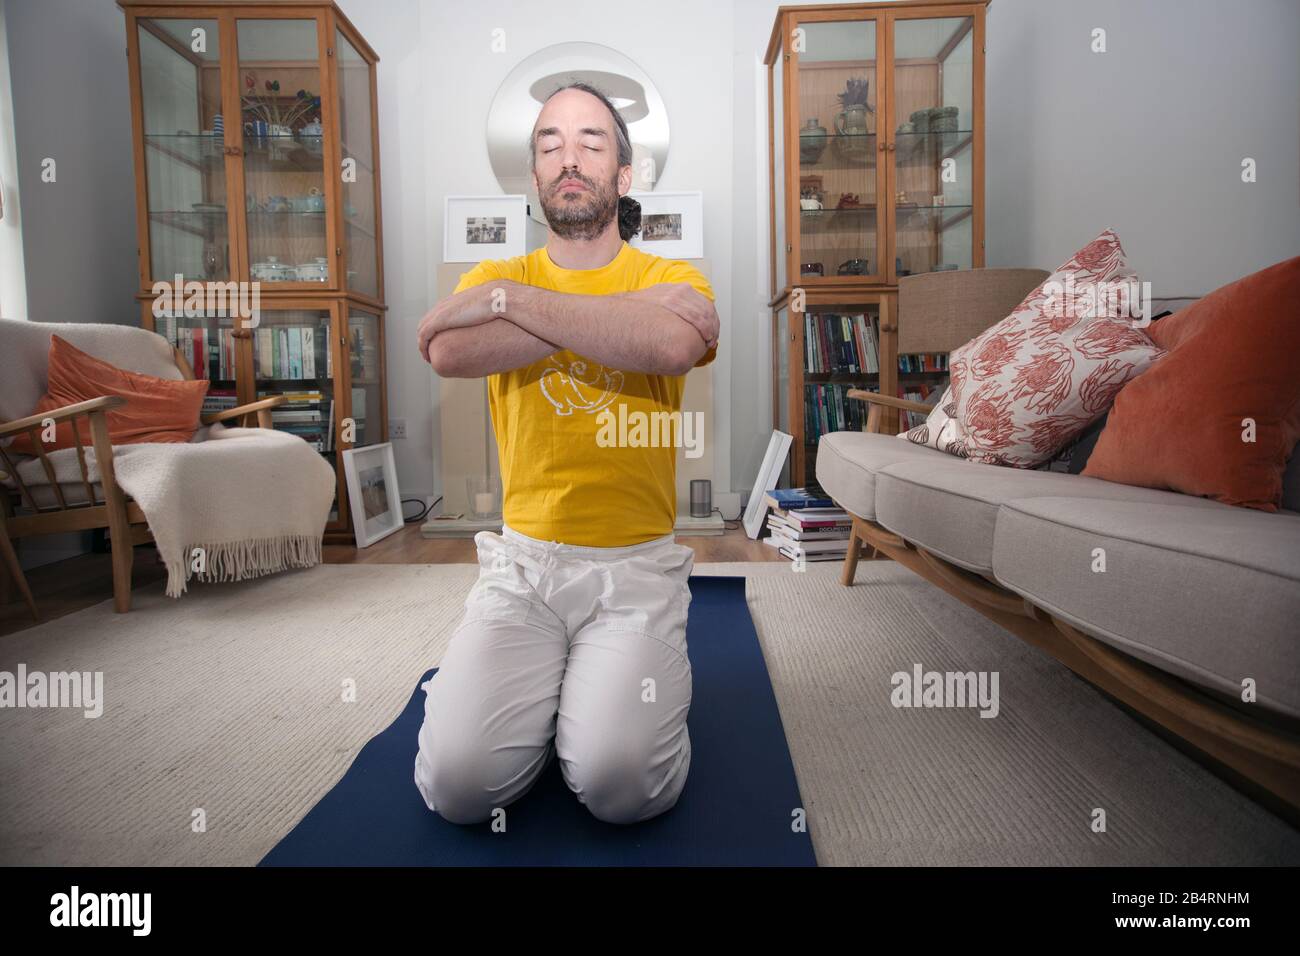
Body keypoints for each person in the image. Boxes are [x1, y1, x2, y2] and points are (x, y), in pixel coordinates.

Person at [412, 82, 720, 825]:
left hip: (635, 569)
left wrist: (513, 303)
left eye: (590, 141)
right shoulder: (501, 274)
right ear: (535, 178)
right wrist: (611, 321)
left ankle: (608, 695)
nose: (567, 157)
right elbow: (445, 348)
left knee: (623, 790)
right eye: (549, 144)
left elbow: (675, 342)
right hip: (525, 568)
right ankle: (547, 700)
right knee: (455, 788)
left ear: (623, 174)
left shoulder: (669, 278)